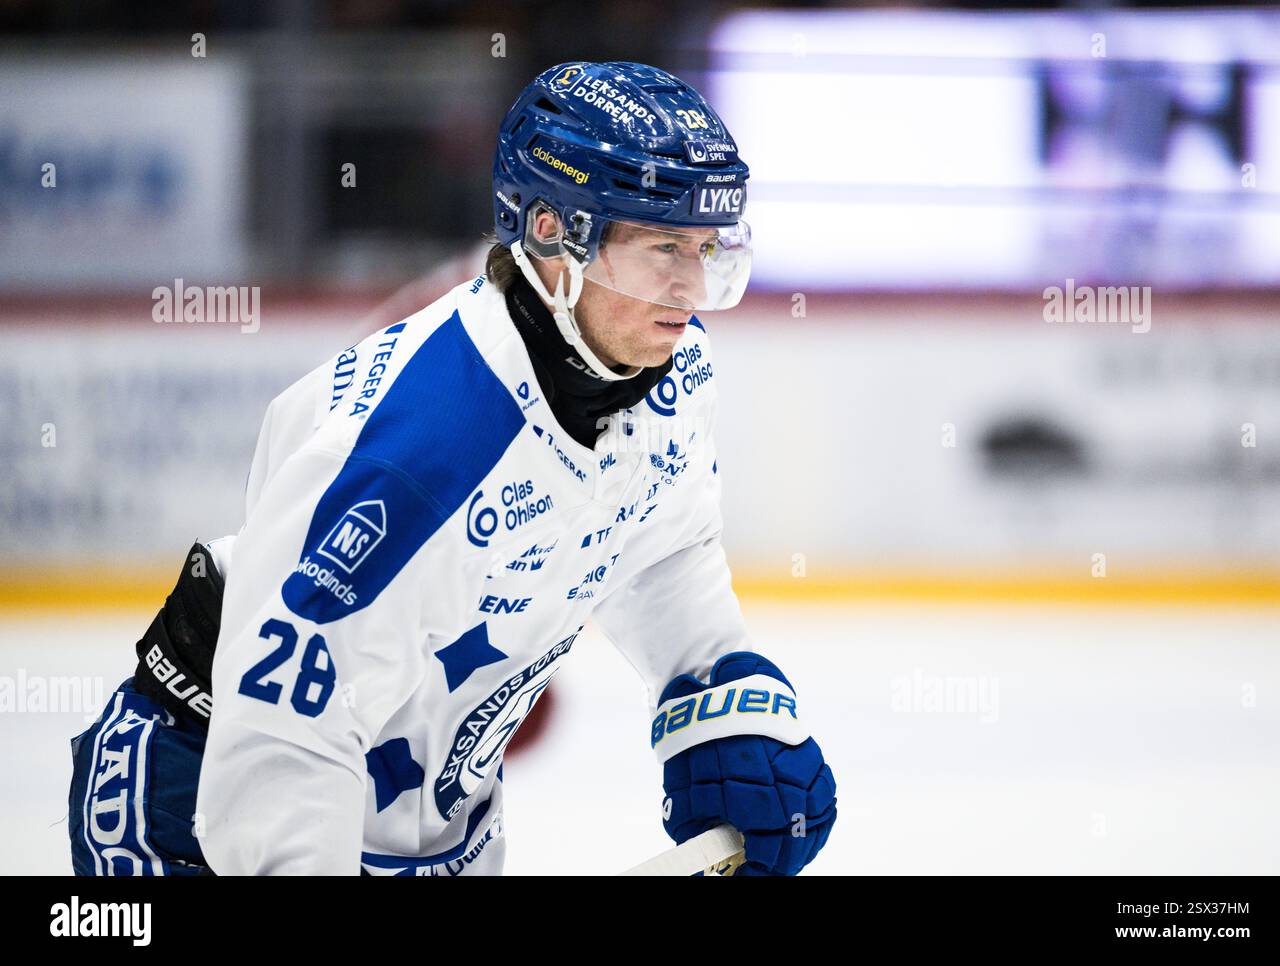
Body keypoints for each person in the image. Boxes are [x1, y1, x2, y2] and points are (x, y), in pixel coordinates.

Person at [68, 61, 837, 876]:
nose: (692, 288)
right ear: (552, 235)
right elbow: (283, 745)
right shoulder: (413, 452)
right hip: (202, 801)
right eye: (662, 247)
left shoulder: (669, 374)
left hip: (429, 819)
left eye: (707, 247)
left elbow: (661, 543)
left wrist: (715, 695)